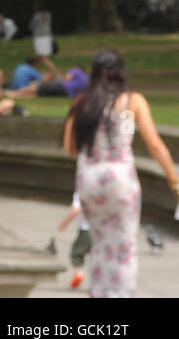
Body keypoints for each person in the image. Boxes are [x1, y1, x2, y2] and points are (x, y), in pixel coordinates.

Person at [61, 48, 179, 297]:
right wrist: (173, 178)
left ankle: (100, 291)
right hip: (121, 180)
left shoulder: (82, 100)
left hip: (90, 179)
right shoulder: (133, 100)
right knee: (124, 245)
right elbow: (155, 145)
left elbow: (69, 146)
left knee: (100, 241)